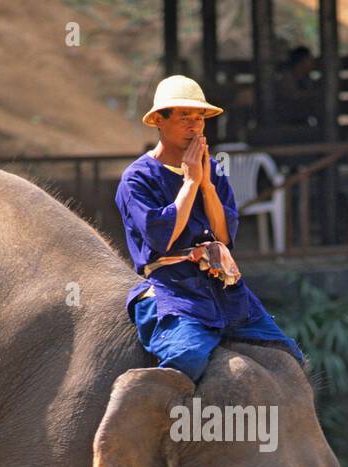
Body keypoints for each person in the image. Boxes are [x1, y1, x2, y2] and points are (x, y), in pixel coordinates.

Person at [114, 75, 305, 384]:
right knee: (187, 357)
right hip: (172, 289)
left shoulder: (213, 170)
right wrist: (189, 183)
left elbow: (224, 236)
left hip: (223, 288)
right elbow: (163, 239)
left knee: (288, 355)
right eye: (184, 117)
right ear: (159, 122)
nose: (195, 126)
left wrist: (206, 185)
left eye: (199, 117)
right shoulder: (137, 179)